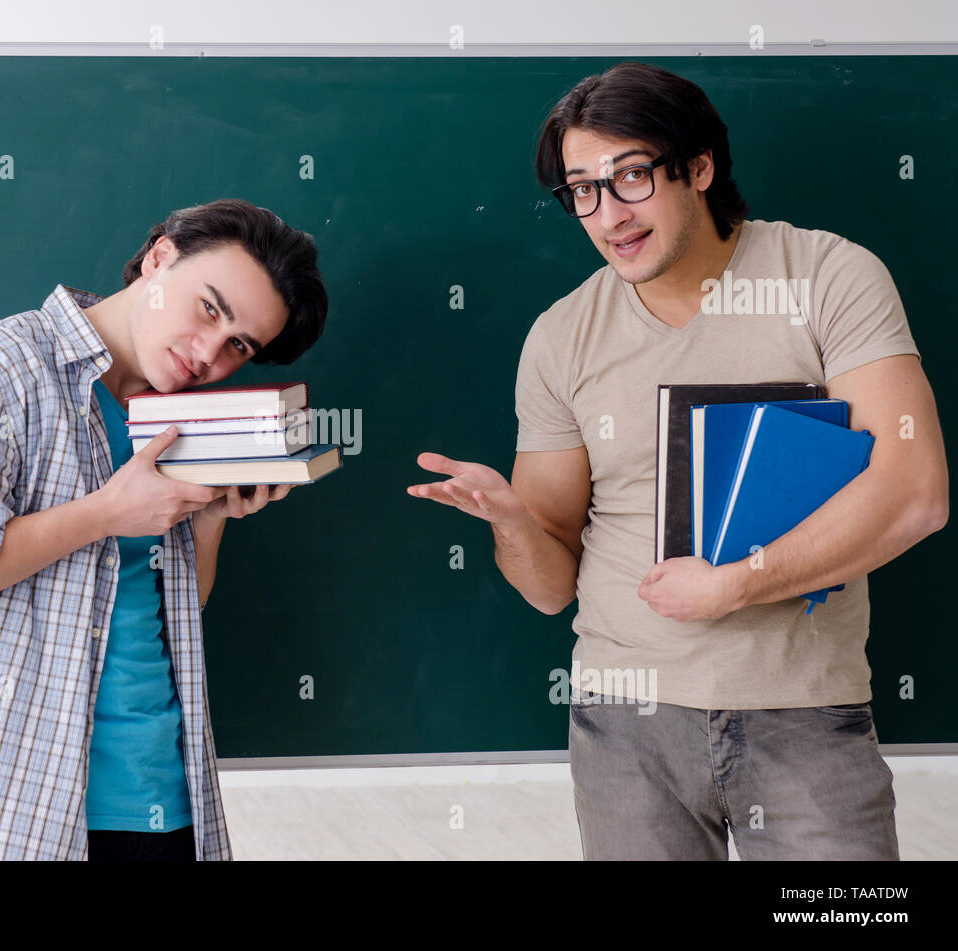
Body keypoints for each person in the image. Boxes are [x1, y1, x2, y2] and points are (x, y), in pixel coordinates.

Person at [406, 61, 947, 860]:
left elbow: (914, 493)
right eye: (580, 189)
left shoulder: (830, 277)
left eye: (629, 177)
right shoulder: (561, 337)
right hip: (625, 723)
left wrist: (733, 584)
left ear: (699, 167)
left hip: (806, 713)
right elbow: (551, 588)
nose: (606, 214)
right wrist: (513, 523)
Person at [0, 198, 328, 860]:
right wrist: (108, 512)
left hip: (170, 804)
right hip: (25, 813)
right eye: (209, 308)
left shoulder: (171, 420)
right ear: (159, 258)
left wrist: (208, 520)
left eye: (239, 345)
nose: (209, 353)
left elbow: (171, 607)